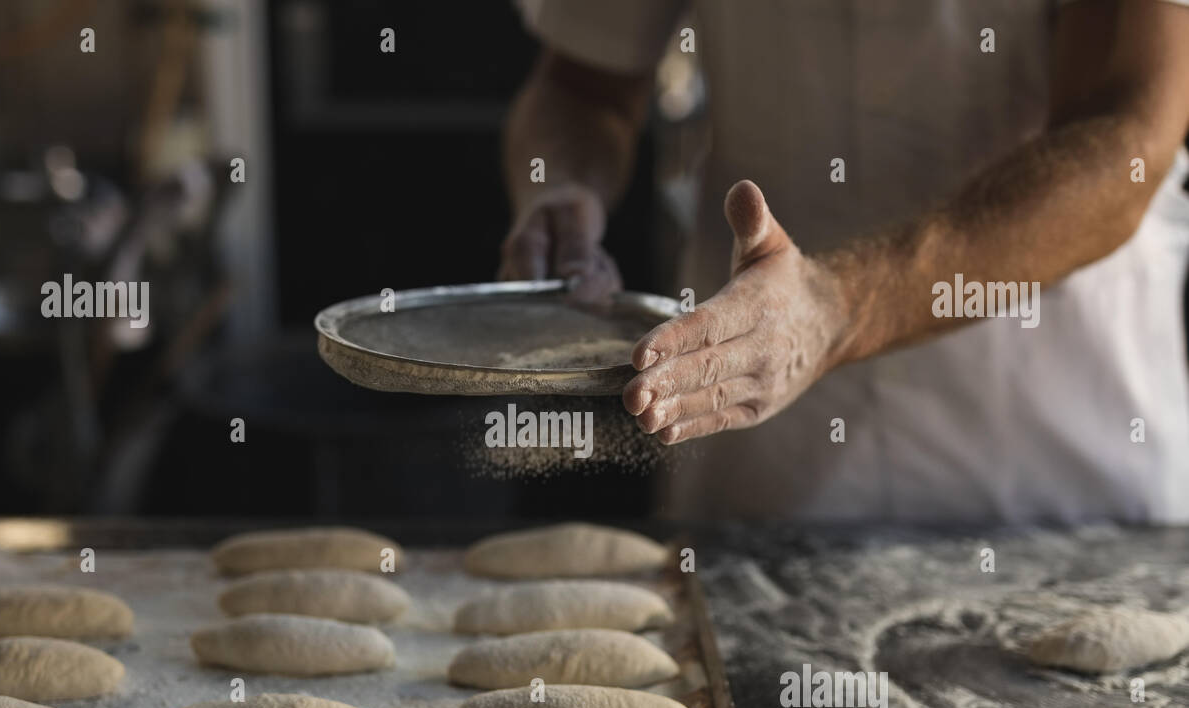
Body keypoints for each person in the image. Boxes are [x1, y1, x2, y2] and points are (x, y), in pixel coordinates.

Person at [499, 0, 1189, 523]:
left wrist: (836, 307)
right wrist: (561, 183)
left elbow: (1127, 134)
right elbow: (583, 85)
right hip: (766, 448)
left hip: (1060, 451)